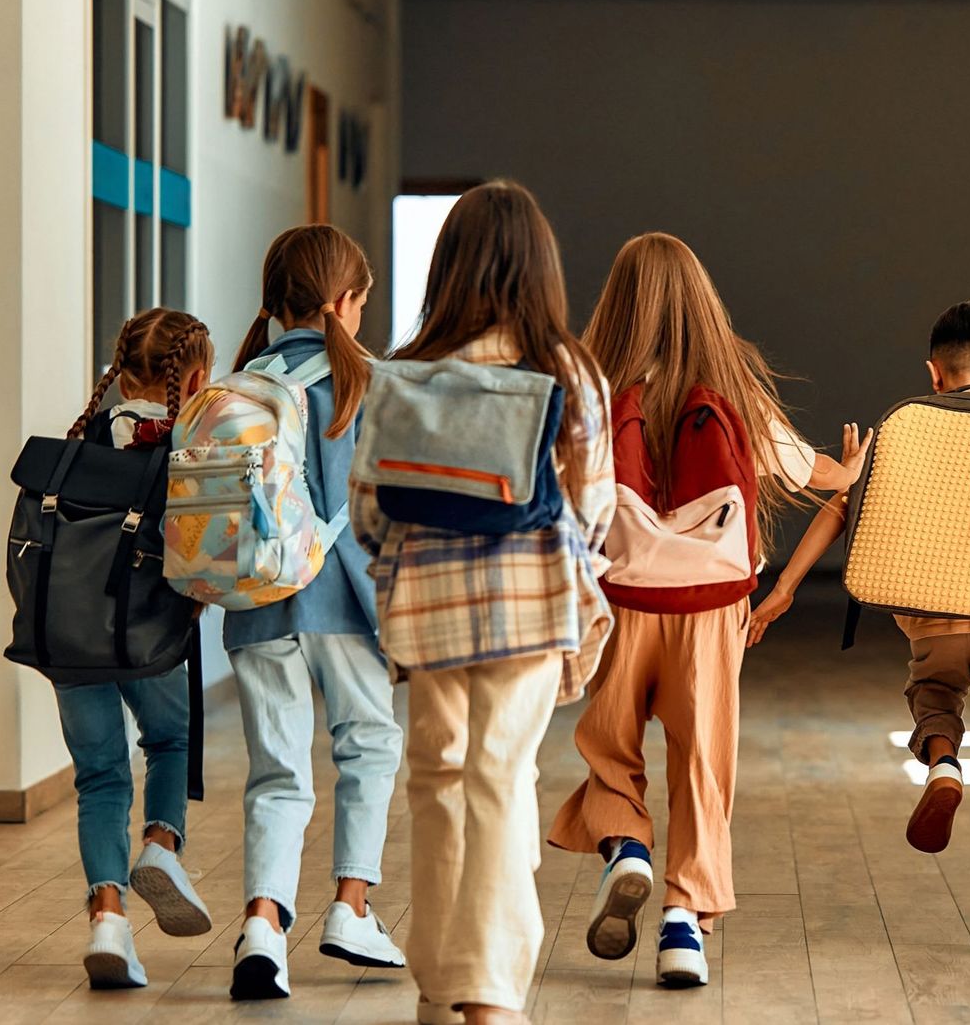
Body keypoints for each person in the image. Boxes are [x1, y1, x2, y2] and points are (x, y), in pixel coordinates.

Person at [548, 232, 867, 988]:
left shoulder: (592, 385)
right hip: (712, 603)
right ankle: (683, 921)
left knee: (611, 743)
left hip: (621, 597)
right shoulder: (728, 385)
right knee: (701, 762)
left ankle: (626, 849)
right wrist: (844, 469)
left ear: (618, 302)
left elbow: (561, 485)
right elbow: (796, 464)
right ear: (701, 301)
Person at [353, 180, 615, 1025]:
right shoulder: (568, 370)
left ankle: (436, 981)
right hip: (531, 601)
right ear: (540, 267)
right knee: (500, 774)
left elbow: (367, 508)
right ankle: (490, 992)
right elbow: (594, 504)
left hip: (427, 608)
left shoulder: (403, 371)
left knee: (435, 778)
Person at [747, 297, 970, 958]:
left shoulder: (902, 425)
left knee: (933, 693)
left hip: (932, 616)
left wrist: (781, 589)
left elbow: (841, 507)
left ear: (934, 372)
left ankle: (944, 759)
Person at [224, 225, 405, 1000]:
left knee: (277, 770)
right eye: (360, 300)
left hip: (257, 608)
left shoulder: (240, 382)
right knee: (367, 746)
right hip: (344, 607)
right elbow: (377, 514)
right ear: (340, 301)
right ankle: (350, 906)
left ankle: (262, 926)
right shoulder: (363, 381)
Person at [54, 308, 214, 989]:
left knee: (99, 776)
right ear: (197, 376)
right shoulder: (183, 450)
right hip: (144, 635)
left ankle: (108, 918)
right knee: (170, 740)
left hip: (64, 634)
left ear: (119, 375)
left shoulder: (76, 443)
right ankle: (162, 844)